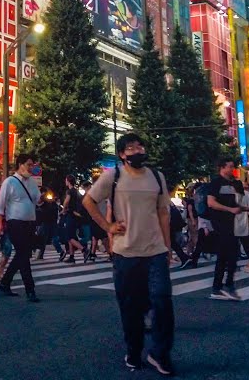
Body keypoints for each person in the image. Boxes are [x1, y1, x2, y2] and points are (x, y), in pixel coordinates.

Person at [85, 133, 174, 376]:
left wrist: (168, 246)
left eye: (139, 146)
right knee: (131, 307)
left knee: (163, 302)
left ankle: (159, 353)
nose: (137, 151)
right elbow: (89, 201)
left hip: (155, 250)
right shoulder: (113, 177)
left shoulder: (157, 176)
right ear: (122, 155)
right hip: (125, 252)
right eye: (131, 148)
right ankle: (134, 351)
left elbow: (163, 213)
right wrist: (108, 227)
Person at [0, 153, 42, 302]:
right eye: (28, 164)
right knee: (23, 254)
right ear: (20, 165)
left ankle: (5, 282)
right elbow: (0, 205)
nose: (30, 167)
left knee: (22, 254)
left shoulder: (32, 182)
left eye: (32, 165)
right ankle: (30, 289)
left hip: (30, 223)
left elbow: (37, 199)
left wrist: (43, 198)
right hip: (15, 223)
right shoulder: (9, 182)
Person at [207, 159, 244, 301]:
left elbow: (233, 204)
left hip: (231, 223)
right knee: (224, 255)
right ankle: (220, 287)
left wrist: (245, 209)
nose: (232, 169)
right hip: (220, 223)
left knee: (232, 255)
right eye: (230, 166)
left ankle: (227, 285)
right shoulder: (215, 183)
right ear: (222, 168)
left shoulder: (231, 184)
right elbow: (211, 203)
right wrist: (230, 209)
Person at [59, 175, 86, 264]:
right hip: (76, 216)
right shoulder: (76, 191)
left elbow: (66, 202)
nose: (65, 182)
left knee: (69, 237)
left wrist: (63, 210)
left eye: (66, 180)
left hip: (71, 215)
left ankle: (84, 250)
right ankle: (71, 256)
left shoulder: (70, 191)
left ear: (68, 181)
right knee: (71, 236)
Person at [36, 190, 58, 261]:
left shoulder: (53, 203)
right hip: (44, 221)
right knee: (42, 238)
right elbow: (38, 203)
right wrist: (42, 197)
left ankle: (61, 252)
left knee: (51, 238)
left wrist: (52, 200)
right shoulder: (43, 201)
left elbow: (55, 207)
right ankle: (38, 253)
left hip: (51, 222)